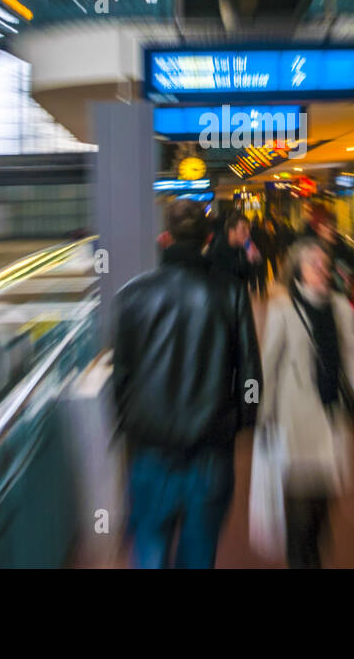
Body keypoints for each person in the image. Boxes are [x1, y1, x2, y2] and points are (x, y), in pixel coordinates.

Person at [112, 200, 262, 568]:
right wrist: (240, 422)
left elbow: (121, 376)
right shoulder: (231, 293)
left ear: (164, 239)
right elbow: (250, 374)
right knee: (199, 549)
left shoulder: (132, 295)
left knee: (149, 544)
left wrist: (128, 426)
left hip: (150, 449)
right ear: (208, 239)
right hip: (211, 449)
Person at [259, 239, 354, 567]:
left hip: (331, 417)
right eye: (314, 264)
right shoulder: (283, 309)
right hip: (294, 418)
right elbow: (268, 367)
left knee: (322, 510)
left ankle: (310, 555)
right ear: (298, 269)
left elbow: (352, 362)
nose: (323, 270)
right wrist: (263, 416)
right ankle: (302, 560)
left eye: (325, 265)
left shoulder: (342, 310)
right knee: (300, 512)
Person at [209, 212, 261, 288]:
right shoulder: (218, 252)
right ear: (231, 232)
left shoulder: (242, 247)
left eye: (248, 229)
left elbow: (247, 276)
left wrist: (253, 258)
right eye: (243, 229)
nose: (248, 233)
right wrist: (248, 260)